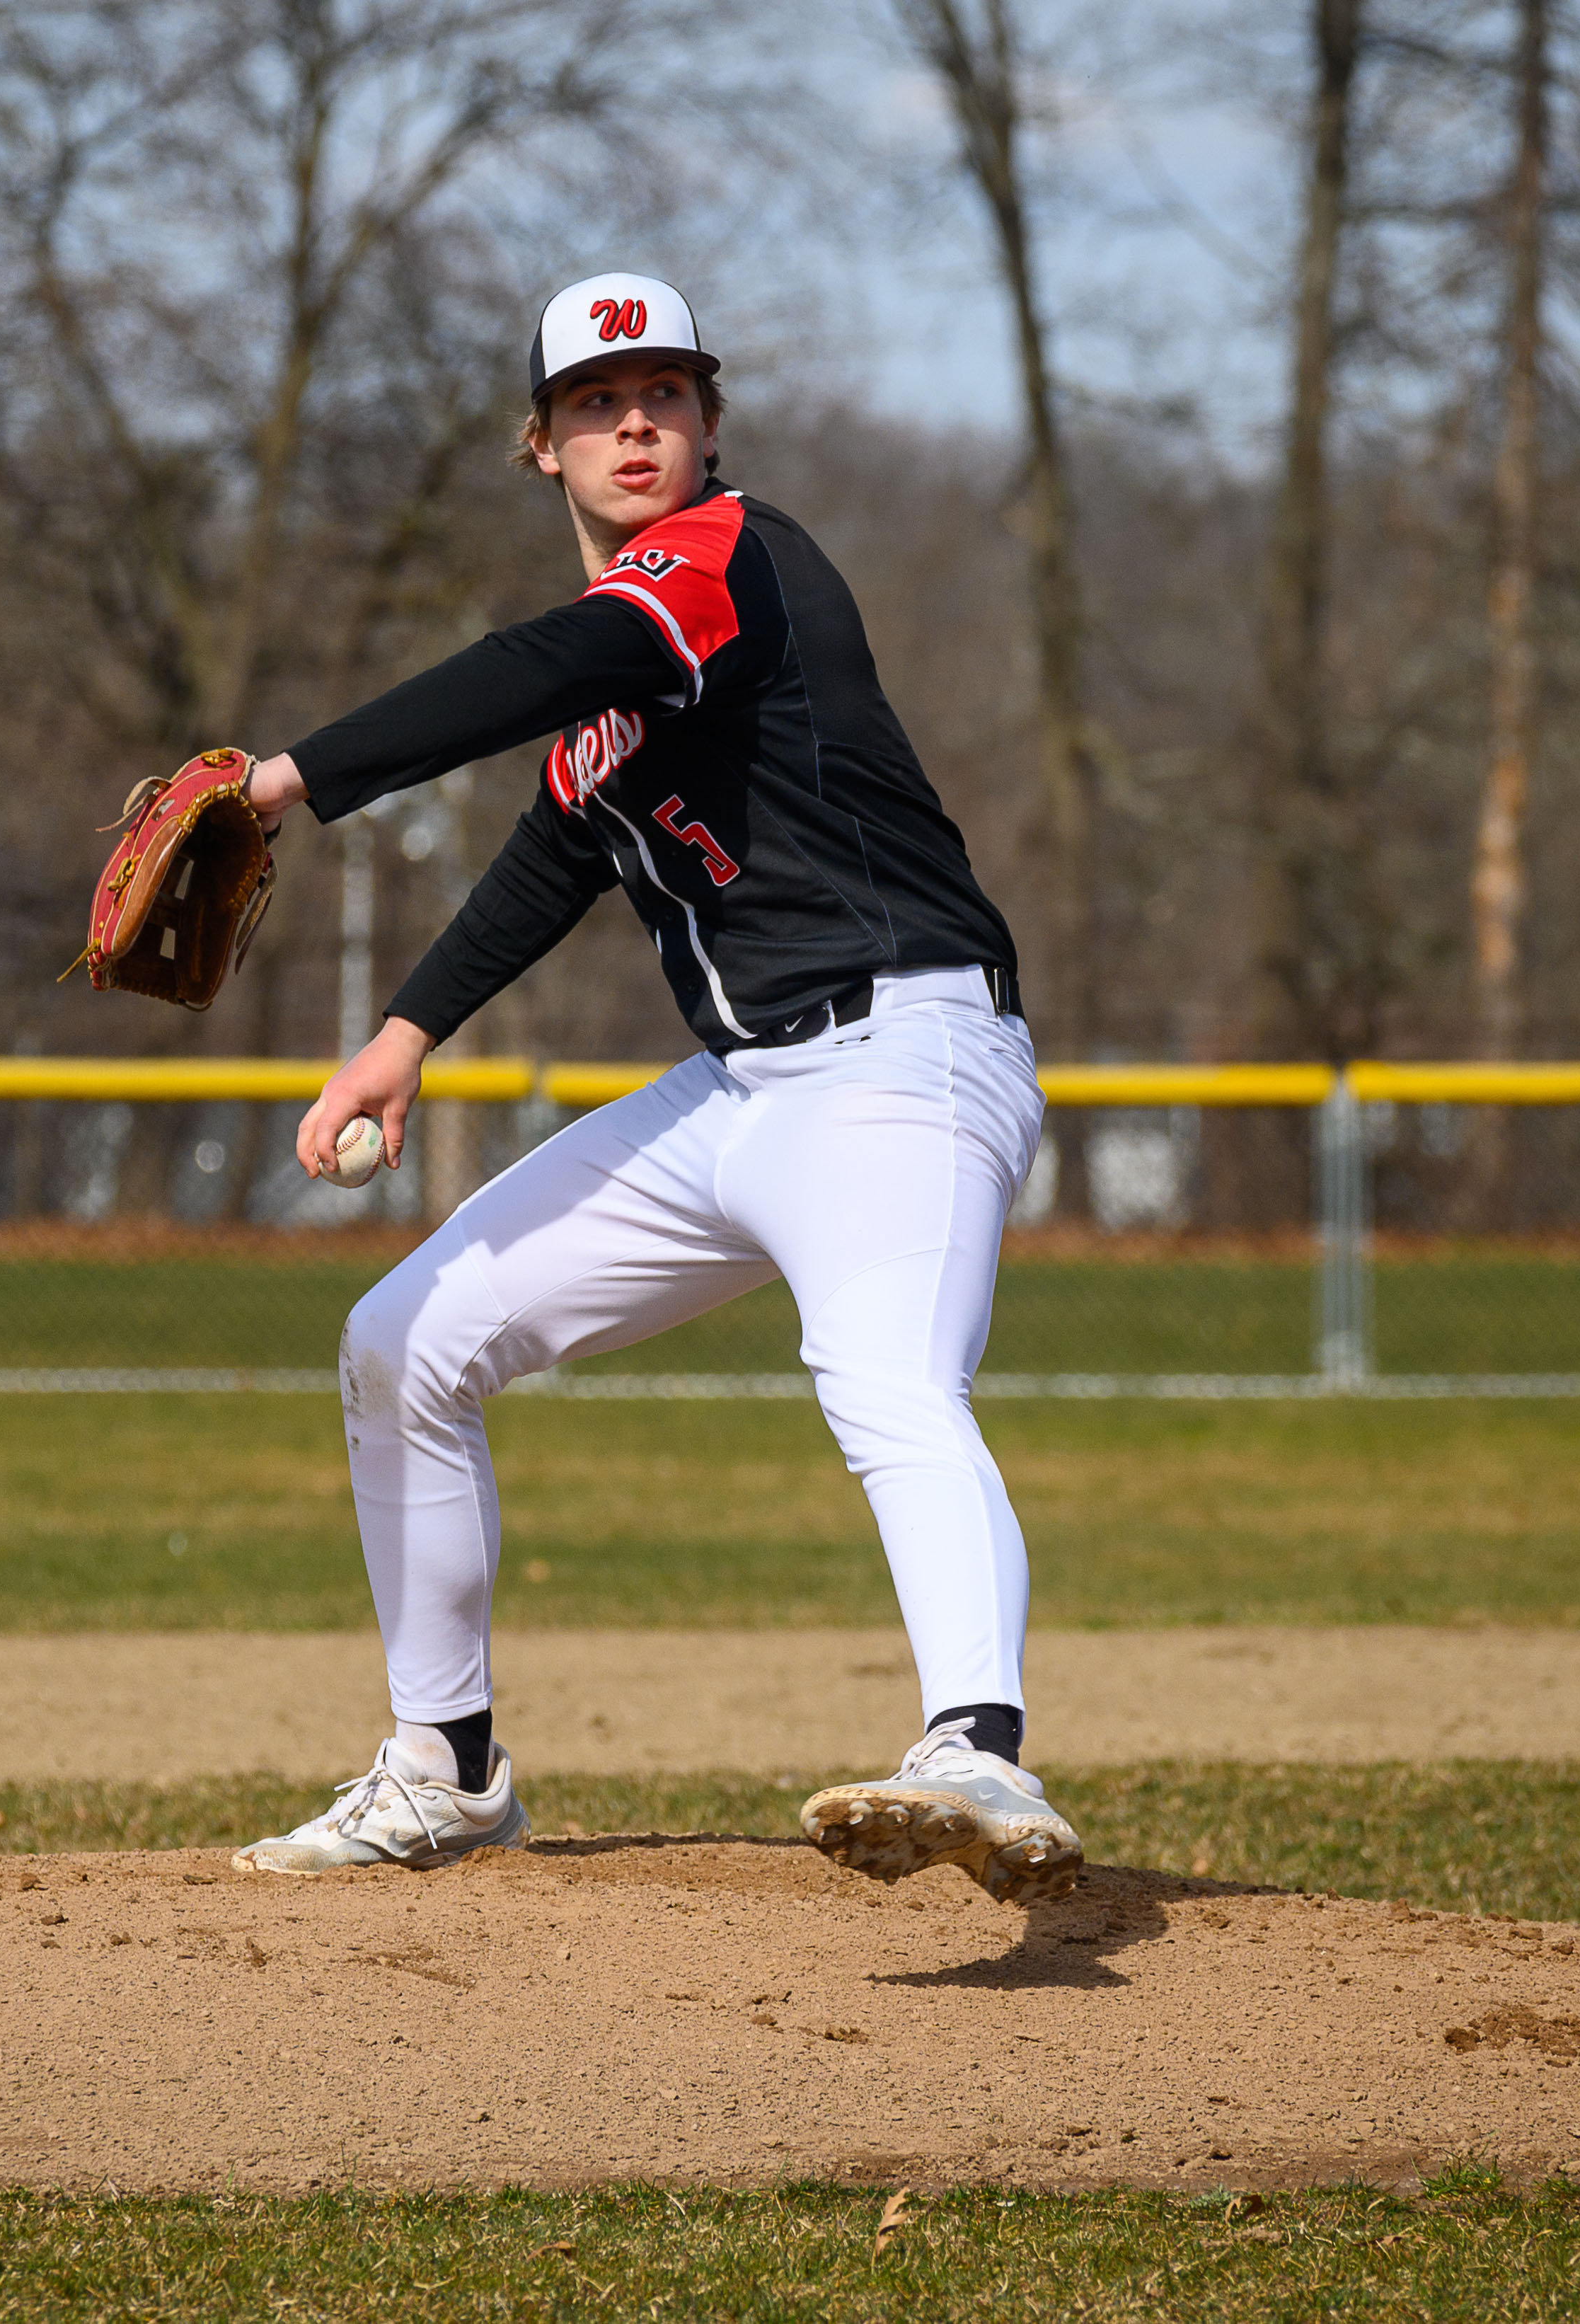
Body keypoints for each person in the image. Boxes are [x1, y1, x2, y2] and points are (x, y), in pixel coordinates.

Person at [223, 273, 1080, 1902]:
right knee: (403, 1340)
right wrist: (404, 1036)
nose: (636, 419)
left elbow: (550, 664)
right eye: (598, 399)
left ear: (707, 423)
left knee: (884, 1380)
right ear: (537, 443)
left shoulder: (730, 559)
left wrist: (289, 780)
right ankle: (445, 1769)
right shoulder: (608, 699)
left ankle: (972, 1741)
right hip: (743, 1095)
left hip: (904, 1051)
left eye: (666, 393)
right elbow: (552, 854)